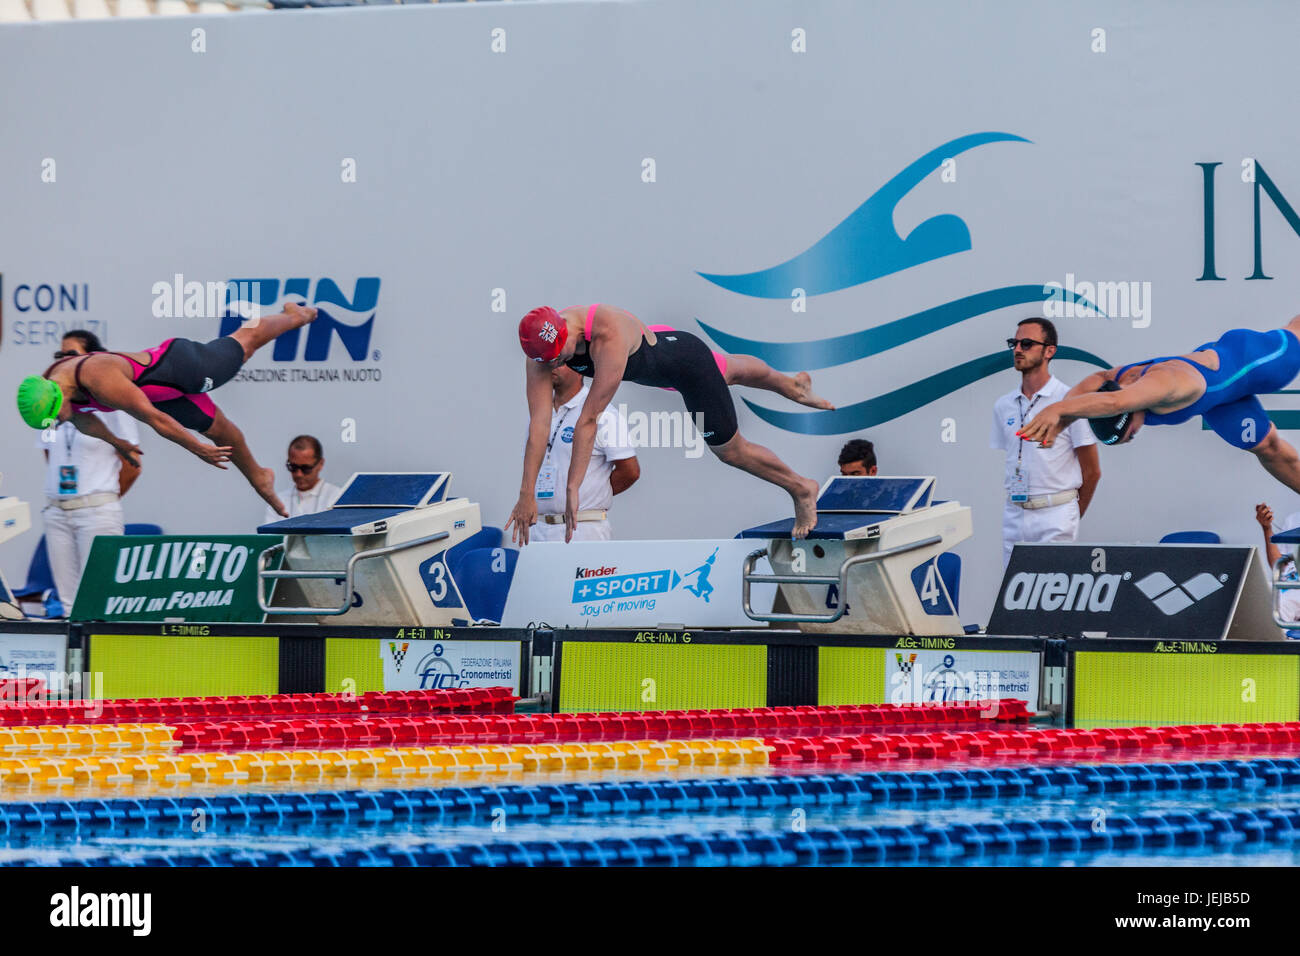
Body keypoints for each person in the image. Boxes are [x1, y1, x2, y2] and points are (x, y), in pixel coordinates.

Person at [507, 303, 832, 543]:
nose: (552, 364)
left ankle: (800, 487)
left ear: (567, 332)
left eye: (555, 356)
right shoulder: (542, 355)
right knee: (732, 370)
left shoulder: (608, 334)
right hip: (660, 356)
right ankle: (791, 386)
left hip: (686, 367)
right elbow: (539, 426)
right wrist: (526, 494)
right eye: (543, 360)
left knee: (731, 451)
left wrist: (572, 488)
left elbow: (589, 419)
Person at [15, 303, 319, 517]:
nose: (58, 422)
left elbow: (153, 418)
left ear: (58, 398)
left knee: (245, 342)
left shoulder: (99, 378)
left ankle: (295, 316)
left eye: (55, 416)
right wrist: (117, 442)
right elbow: (83, 419)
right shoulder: (52, 383)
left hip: (181, 368)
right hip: (162, 397)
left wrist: (196, 448)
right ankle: (260, 477)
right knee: (222, 432)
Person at [1018, 317, 1300, 497]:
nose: (1134, 437)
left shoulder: (1164, 384)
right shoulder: (1118, 380)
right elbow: (1097, 382)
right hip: (1220, 403)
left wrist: (1054, 411)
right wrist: (1065, 417)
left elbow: (1114, 402)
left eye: (1131, 434)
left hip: (1247, 359)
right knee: (1268, 448)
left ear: (1130, 413)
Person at [35, 331, 142, 614]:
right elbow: (48, 450)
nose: (60, 361)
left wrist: (103, 495)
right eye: (58, 355)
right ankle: (74, 657)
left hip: (96, 511)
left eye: (68, 354)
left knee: (99, 600)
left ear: (90, 358)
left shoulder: (111, 403)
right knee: (68, 604)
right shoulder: (52, 403)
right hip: (57, 511)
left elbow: (132, 463)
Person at [991, 318, 1101, 565]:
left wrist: (1069, 513)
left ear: (1049, 351)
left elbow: (1092, 471)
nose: (1018, 349)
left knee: (1052, 598)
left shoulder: (1069, 400)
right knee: (1014, 597)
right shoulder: (1003, 405)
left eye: (1027, 343)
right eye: (1014, 343)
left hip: (1056, 513)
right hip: (1015, 513)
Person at [525, 365, 640, 542]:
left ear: (580, 369)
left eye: (562, 361)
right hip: (538, 525)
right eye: (550, 359)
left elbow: (630, 471)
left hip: (582, 526)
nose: (553, 366)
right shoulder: (539, 412)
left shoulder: (603, 413)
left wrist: (594, 493)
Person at [262, 435, 343, 526]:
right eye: (293, 467)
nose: (298, 474)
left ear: (320, 464)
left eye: (306, 468)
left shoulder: (337, 499)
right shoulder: (279, 501)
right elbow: (269, 538)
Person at [1255, 502, 1300, 635]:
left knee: (1282, 604)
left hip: (1293, 593)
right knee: (1257, 598)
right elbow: (1277, 564)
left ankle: (1282, 649)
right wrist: (1267, 528)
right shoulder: (1293, 519)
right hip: (1286, 584)